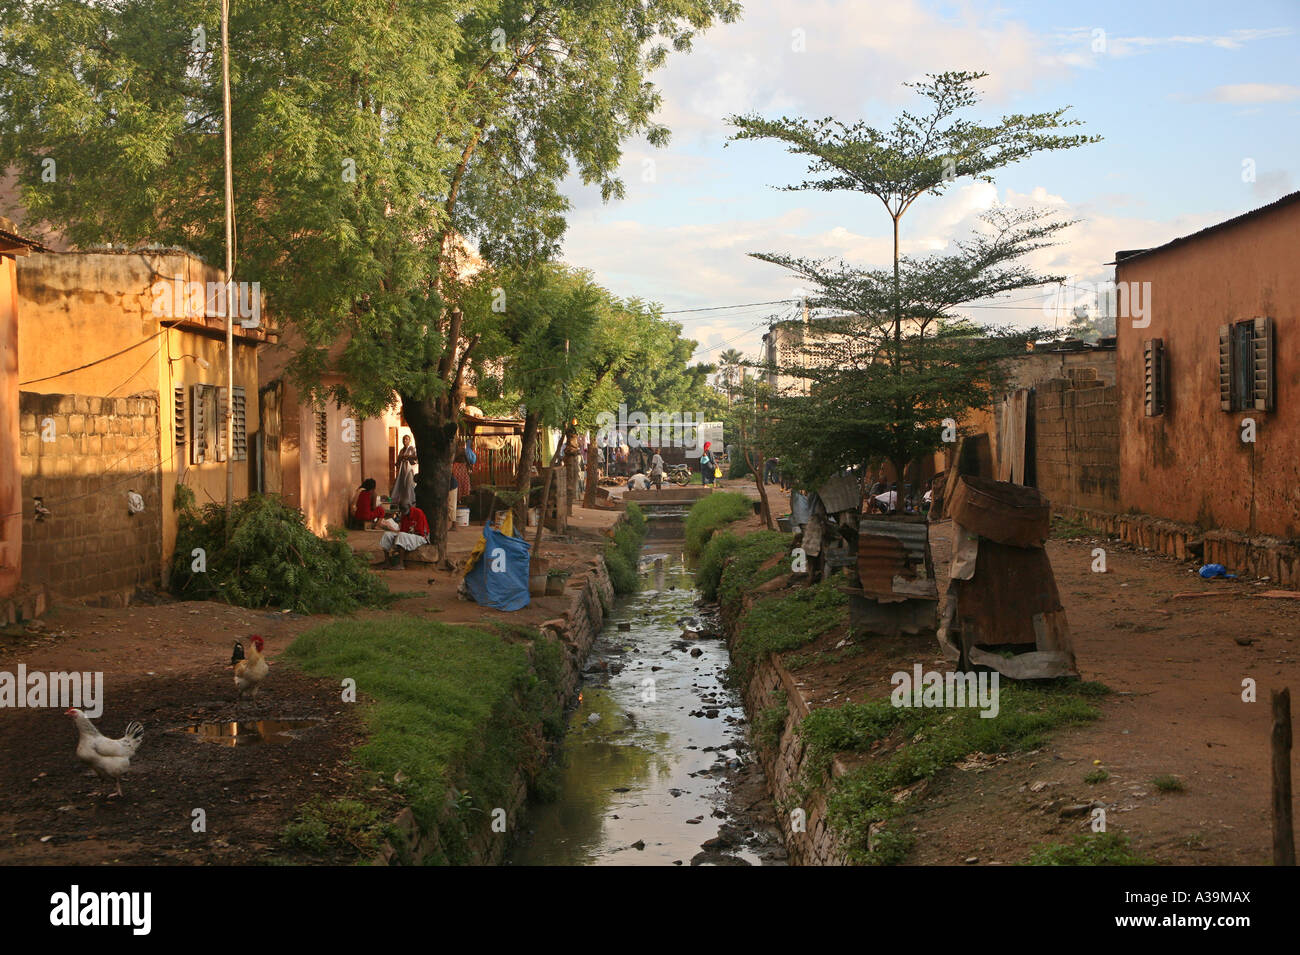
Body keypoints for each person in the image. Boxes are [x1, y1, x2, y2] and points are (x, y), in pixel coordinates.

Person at [380, 504, 430, 568]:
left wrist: (401, 536)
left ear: (409, 507)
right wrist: (398, 536)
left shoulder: (418, 513)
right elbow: (402, 530)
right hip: (407, 535)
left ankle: (401, 564)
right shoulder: (403, 515)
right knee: (387, 534)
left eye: (404, 511)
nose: (403, 513)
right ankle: (387, 562)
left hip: (421, 537)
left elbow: (420, 533)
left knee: (401, 536)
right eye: (402, 511)